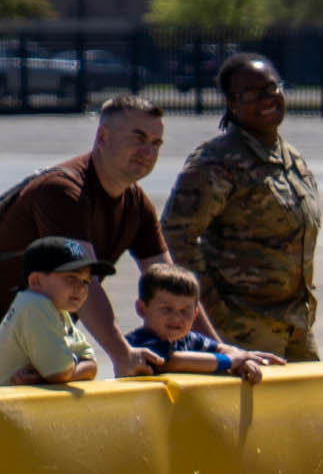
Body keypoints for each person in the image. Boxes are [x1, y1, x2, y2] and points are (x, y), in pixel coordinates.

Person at [0, 94, 185, 378]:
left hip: (38, 345)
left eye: (156, 144)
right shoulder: (63, 190)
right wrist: (122, 354)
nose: (148, 152)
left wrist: (223, 352)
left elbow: (175, 289)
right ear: (102, 135)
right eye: (138, 138)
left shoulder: (135, 203)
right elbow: (90, 289)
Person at [160, 53, 323, 360]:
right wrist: (211, 310)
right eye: (251, 93)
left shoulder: (291, 158)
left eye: (272, 88)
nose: (267, 99)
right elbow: (177, 235)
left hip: (295, 325)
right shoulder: (217, 161)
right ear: (232, 105)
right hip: (243, 328)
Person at [127, 260, 282, 381]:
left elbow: (221, 349)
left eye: (184, 311)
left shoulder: (190, 340)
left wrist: (243, 361)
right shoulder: (140, 342)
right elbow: (172, 362)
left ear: (195, 315)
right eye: (166, 309)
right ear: (142, 309)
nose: (176, 318)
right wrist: (230, 360)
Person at [0, 235, 109, 385]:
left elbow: (92, 364)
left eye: (86, 281)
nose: (81, 288)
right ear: (36, 281)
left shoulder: (59, 311)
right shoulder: (34, 305)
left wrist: (44, 378)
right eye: (71, 278)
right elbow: (59, 373)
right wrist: (71, 368)